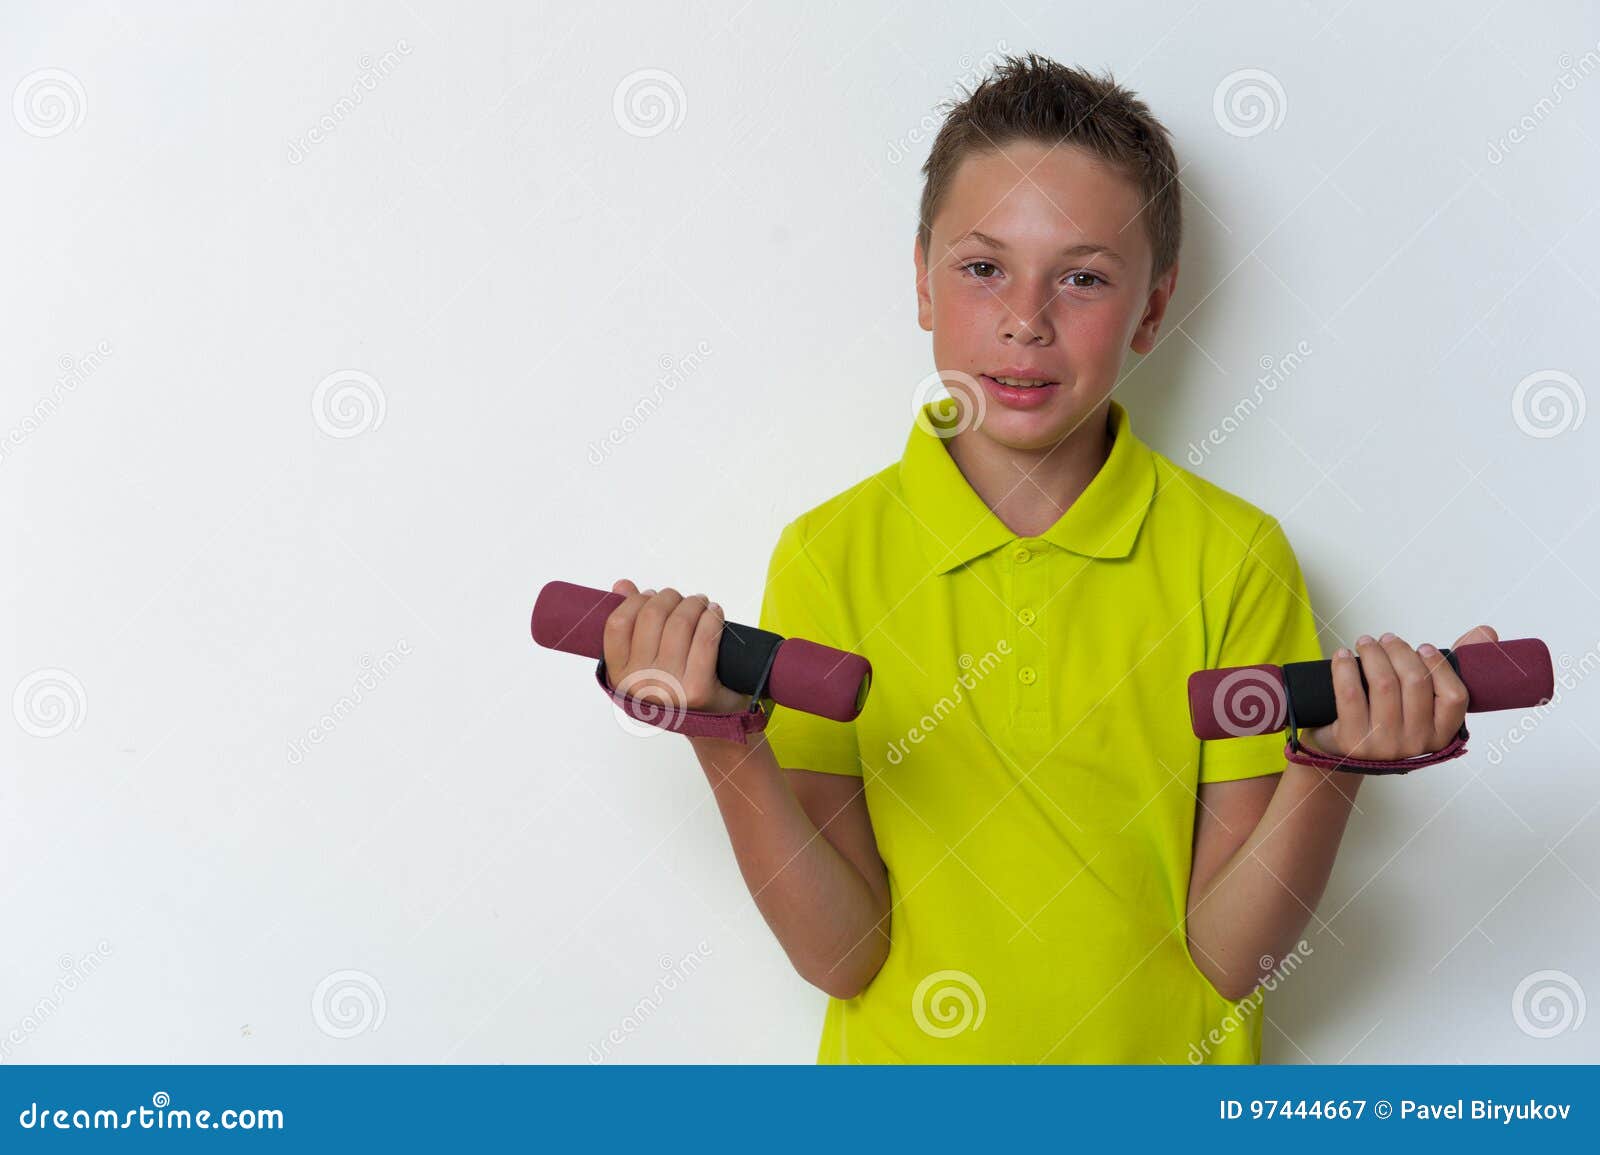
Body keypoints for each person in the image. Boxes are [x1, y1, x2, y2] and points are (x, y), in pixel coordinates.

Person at [600, 53, 1497, 1063]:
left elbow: (1231, 958)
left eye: (1081, 277)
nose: (1025, 318)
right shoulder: (830, 554)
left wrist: (1333, 767)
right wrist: (724, 739)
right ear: (921, 283)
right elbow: (842, 954)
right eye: (983, 268)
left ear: (1152, 310)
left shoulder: (1234, 558)